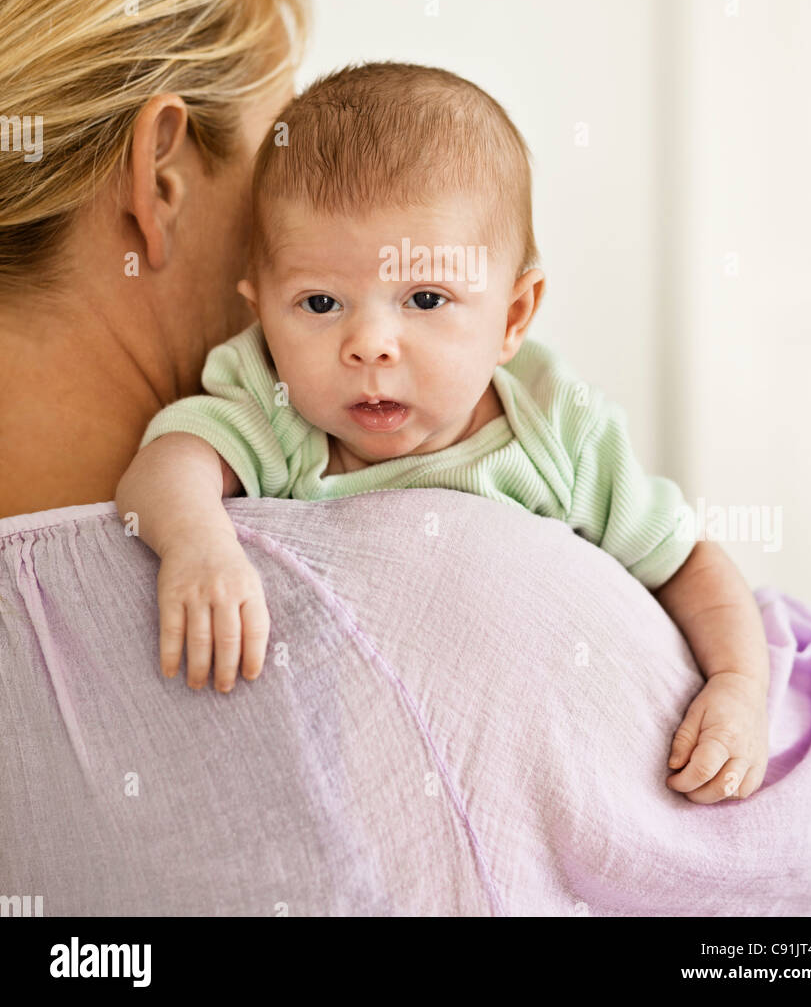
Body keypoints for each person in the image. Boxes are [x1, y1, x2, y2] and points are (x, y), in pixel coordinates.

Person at [1, 0, 811, 918]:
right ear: (159, 175)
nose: (369, 331)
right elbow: (805, 857)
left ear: (514, 313)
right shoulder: (426, 588)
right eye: (277, 150)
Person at [118, 61, 769, 806]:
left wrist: (740, 688)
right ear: (261, 310)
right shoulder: (278, 409)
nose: (369, 343)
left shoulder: (559, 430)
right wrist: (200, 546)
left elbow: (685, 564)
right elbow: (164, 465)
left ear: (514, 317)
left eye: (425, 297)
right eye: (320, 302)